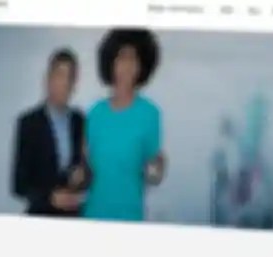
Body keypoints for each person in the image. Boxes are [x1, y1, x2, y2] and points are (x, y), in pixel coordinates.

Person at [83, 29, 164, 222]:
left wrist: (159, 167)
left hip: (129, 216)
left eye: (133, 59)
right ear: (110, 63)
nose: (126, 65)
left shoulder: (150, 114)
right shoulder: (95, 113)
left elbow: (154, 175)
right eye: (121, 58)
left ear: (142, 65)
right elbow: (85, 169)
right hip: (92, 213)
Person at [12, 50, 87, 216]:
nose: (65, 83)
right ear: (47, 79)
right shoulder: (28, 123)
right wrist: (50, 198)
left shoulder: (80, 121)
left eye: (70, 78)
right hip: (40, 217)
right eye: (60, 75)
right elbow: (19, 185)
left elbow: (87, 170)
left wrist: (83, 177)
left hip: (74, 218)